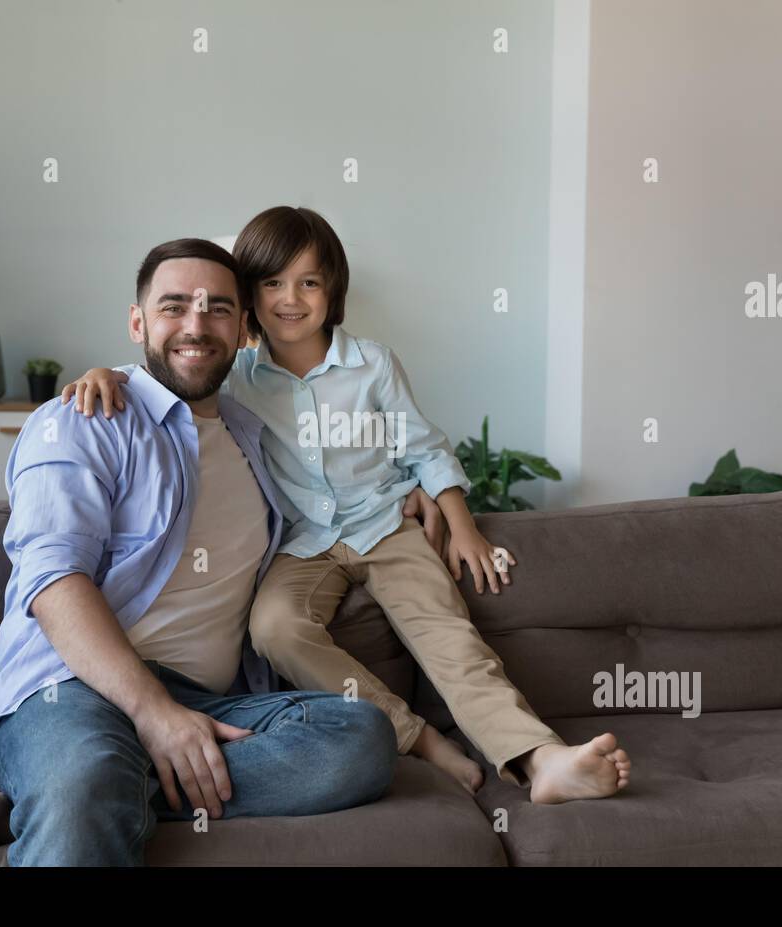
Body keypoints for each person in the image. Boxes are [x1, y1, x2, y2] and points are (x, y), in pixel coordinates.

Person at [63, 207, 632, 803]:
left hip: (386, 526)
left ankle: (539, 759)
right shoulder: (239, 376)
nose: (291, 298)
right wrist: (105, 372)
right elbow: (181, 363)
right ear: (251, 298)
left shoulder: (374, 365)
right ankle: (412, 736)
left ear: (333, 291)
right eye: (273, 283)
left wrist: (462, 528)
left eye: (309, 282)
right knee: (275, 628)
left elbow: (425, 449)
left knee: (449, 636)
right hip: (303, 542)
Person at [0, 237, 448, 865]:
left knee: (360, 736)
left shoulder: (255, 436)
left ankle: (78, 797)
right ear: (137, 322)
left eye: (218, 308)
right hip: (71, 690)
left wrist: (413, 497)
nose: (196, 326)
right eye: (173, 307)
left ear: (244, 327)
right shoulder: (85, 420)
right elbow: (54, 582)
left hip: (213, 702)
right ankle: (79, 789)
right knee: (85, 773)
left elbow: (340, 489)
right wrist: (155, 714)